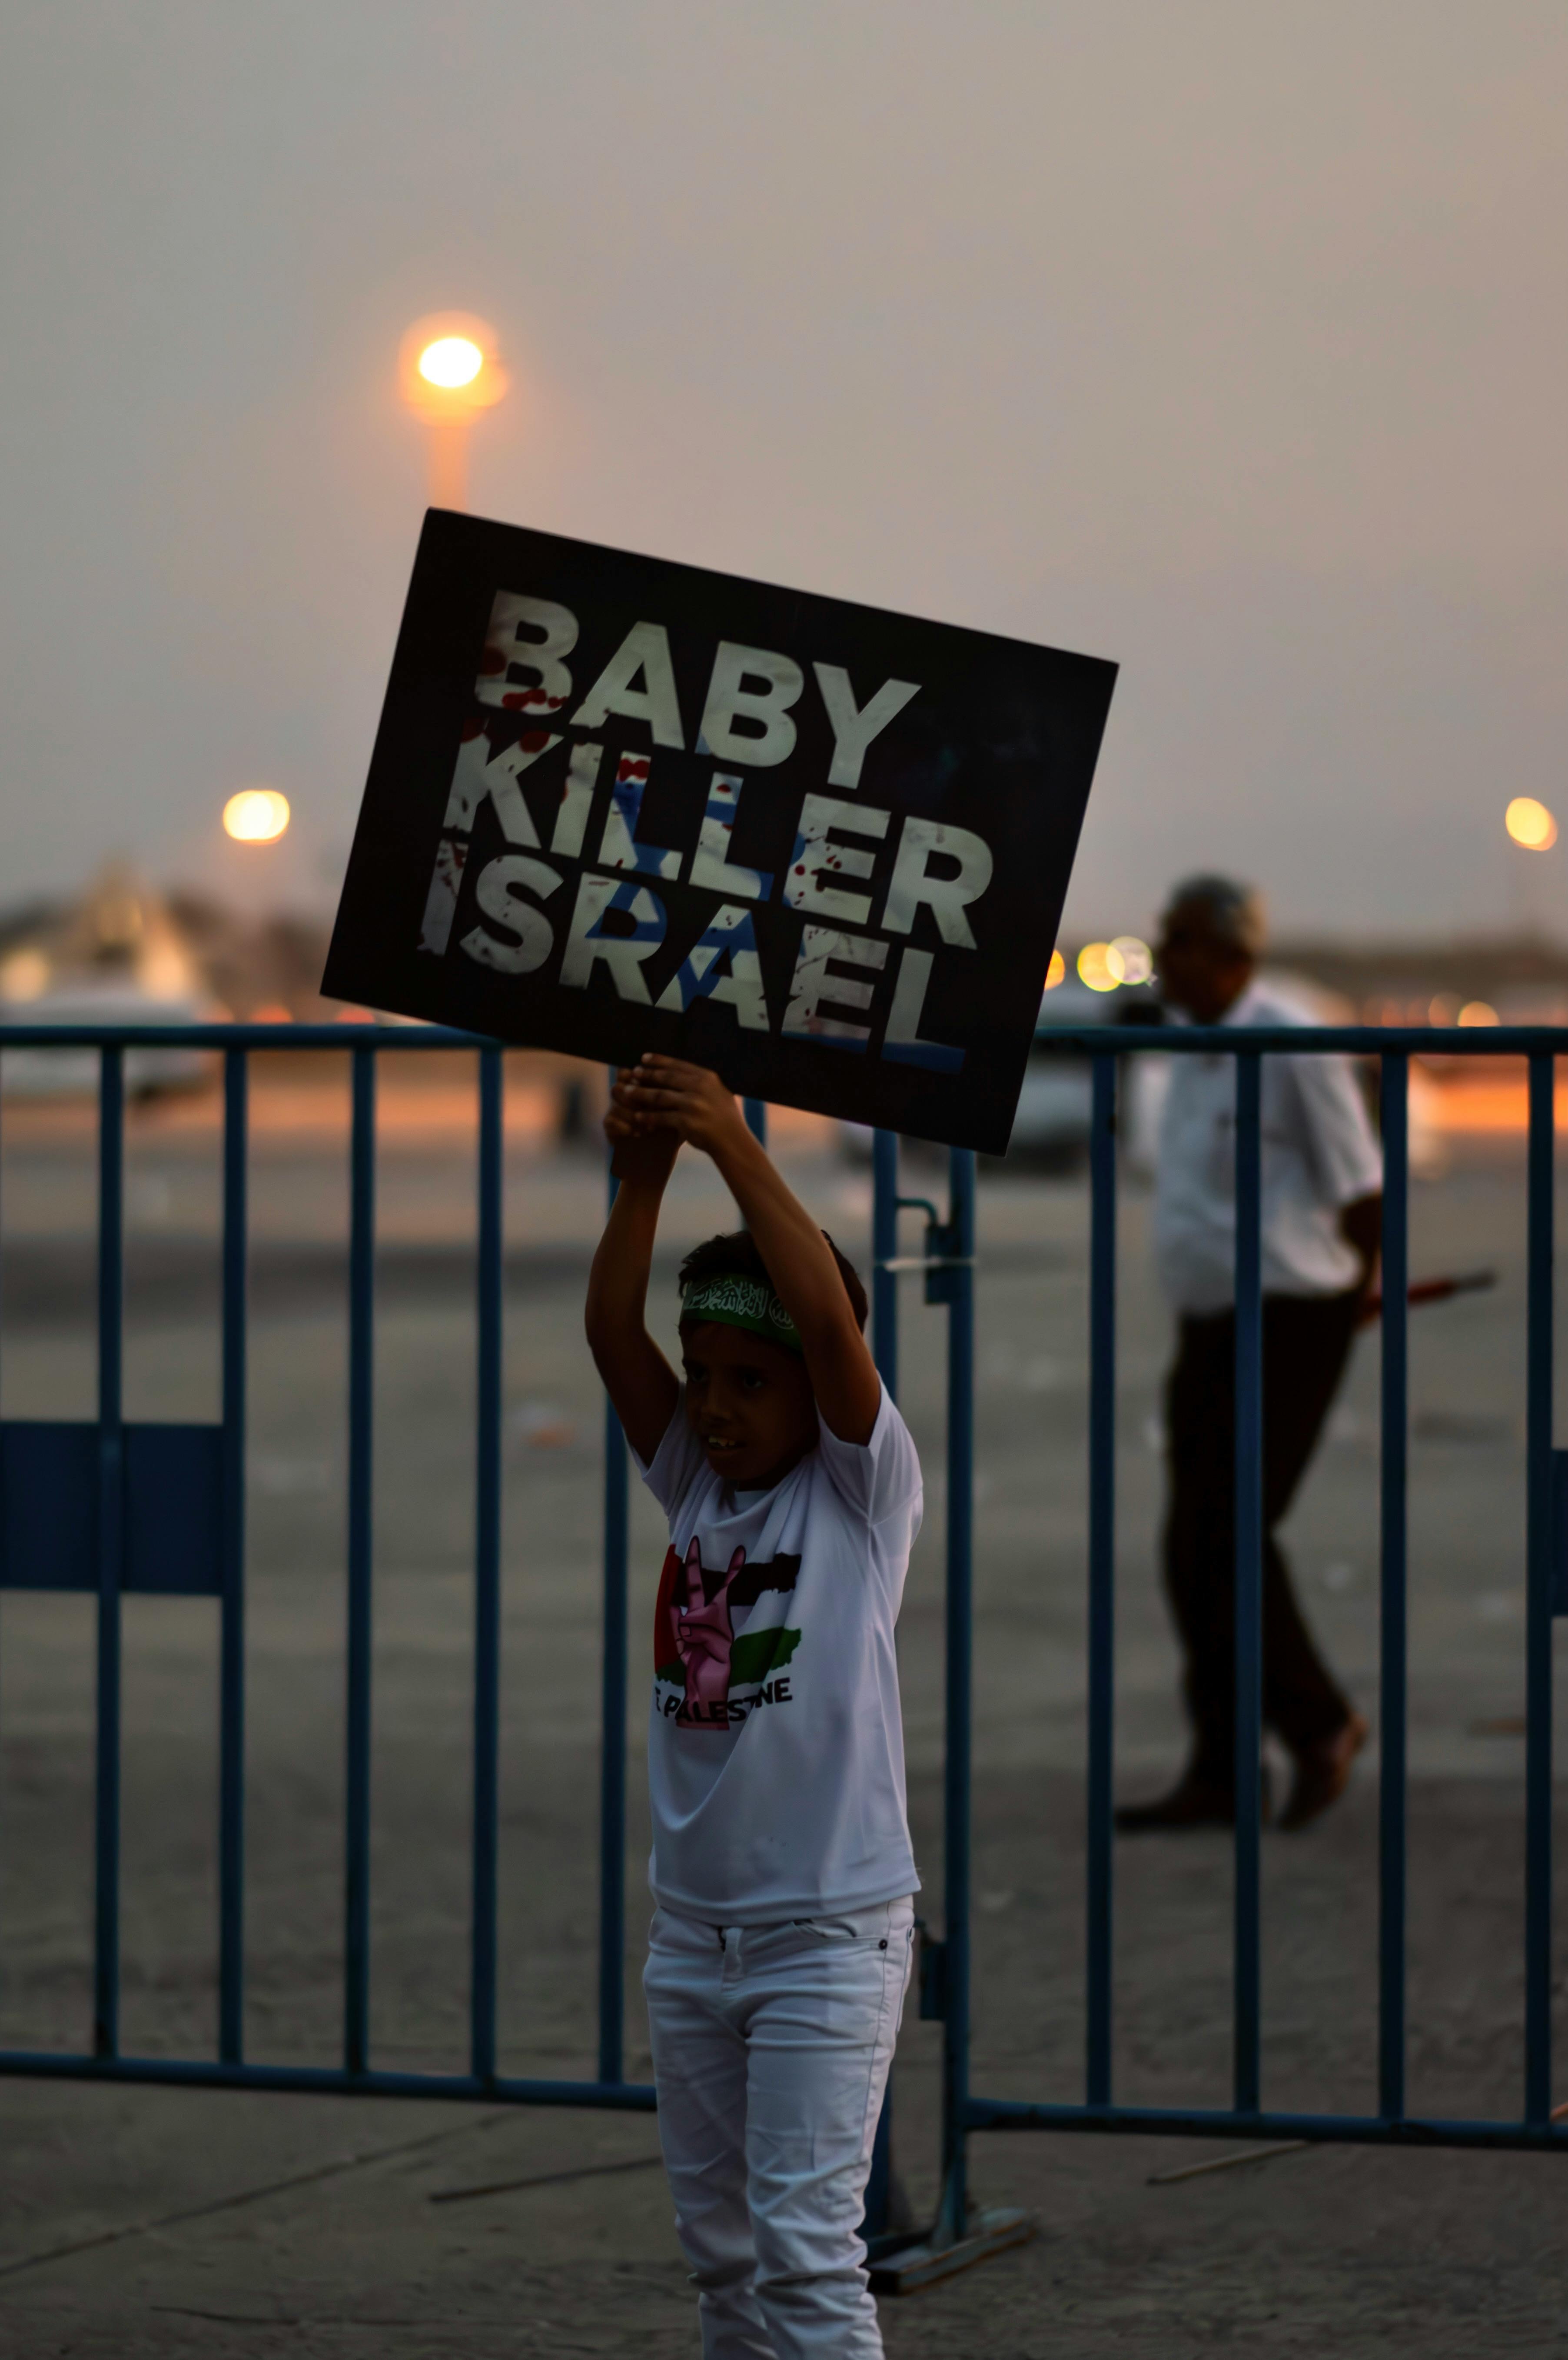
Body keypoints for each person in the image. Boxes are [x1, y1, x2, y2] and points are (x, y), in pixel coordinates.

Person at [586, 1051, 920, 2360]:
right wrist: (644, 1173)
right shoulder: (694, 1480)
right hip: (693, 1935)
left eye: (751, 1381)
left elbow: (830, 1332)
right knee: (723, 2260)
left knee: (805, 2257)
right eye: (703, 1374)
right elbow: (612, 1334)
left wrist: (729, 1138)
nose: (716, 1408)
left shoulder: (857, 1492)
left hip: (825, 1938)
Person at [1116, 877, 1380, 1835]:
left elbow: (1362, 1188)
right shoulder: (1185, 1046)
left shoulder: (1290, 1040)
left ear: (1235, 954)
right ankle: (1225, 1769)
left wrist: (1361, 1286)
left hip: (1291, 1316)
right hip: (1212, 1322)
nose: (1165, 953)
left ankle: (1319, 1723)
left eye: (1183, 938)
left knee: (1228, 1528)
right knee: (1192, 1547)